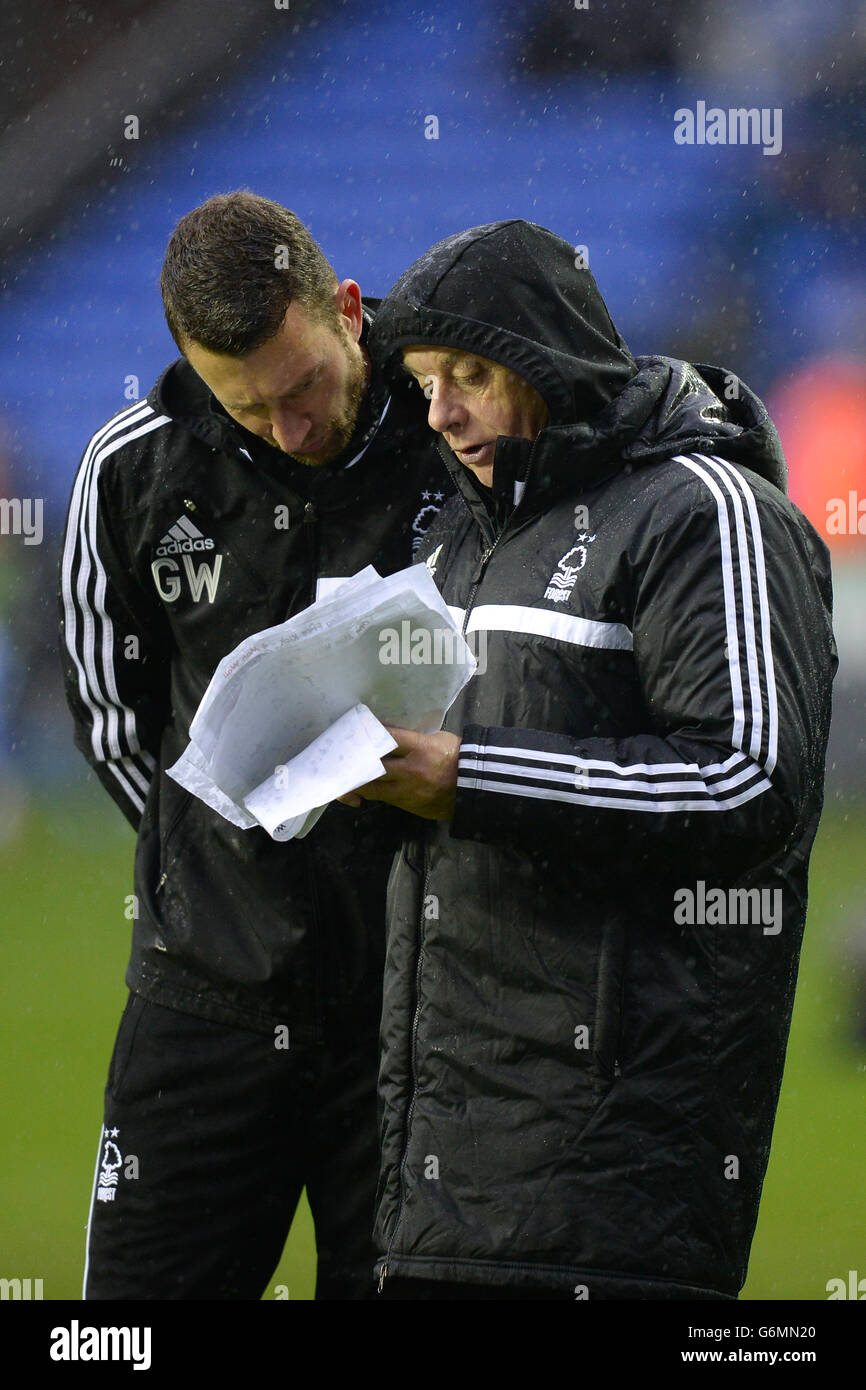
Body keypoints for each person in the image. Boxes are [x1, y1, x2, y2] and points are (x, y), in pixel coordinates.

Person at [345, 219, 837, 1299]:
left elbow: (746, 778)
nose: (443, 411)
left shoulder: (706, 512)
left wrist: (465, 776)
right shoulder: (462, 541)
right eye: (425, 381)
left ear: (551, 354)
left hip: (616, 1171)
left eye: (470, 371)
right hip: (439, 1168)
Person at [58, 191, 448, 1299]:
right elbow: (112, 711)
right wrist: (225, 851)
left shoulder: (448, 432)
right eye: (246, 408)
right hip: (204, 1003)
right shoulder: (134, 472)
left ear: (346, 310)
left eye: (303, 388)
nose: (287, 427)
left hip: (413, 1013)